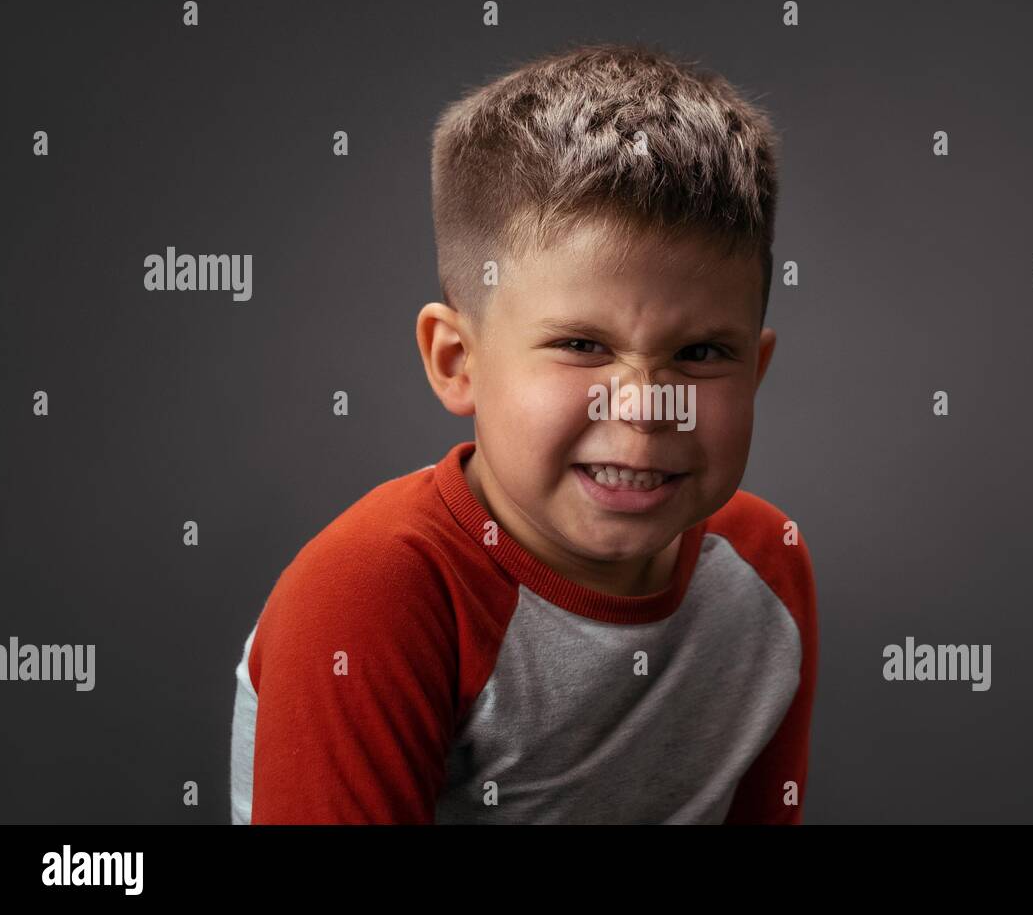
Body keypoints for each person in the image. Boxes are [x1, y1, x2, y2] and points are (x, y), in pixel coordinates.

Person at [230, 42, 817, 824]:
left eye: (701, 353)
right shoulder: (374, 590)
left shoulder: (764, 564)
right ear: (457, 359)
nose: (642, 409)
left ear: (755, 369)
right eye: (581, 345)